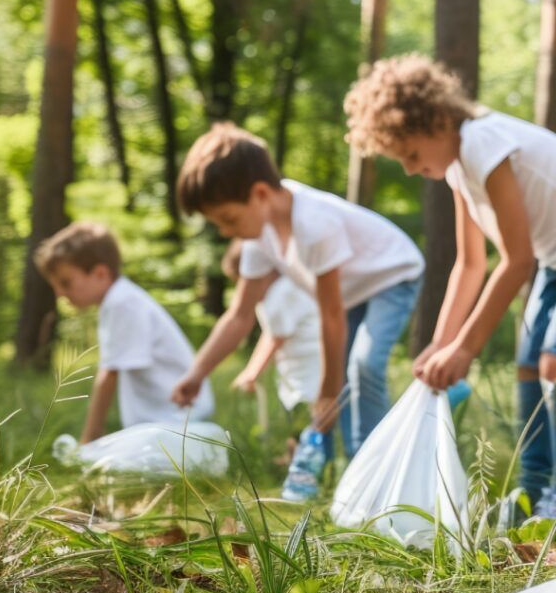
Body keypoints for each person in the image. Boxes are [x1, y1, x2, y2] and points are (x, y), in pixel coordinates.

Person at [343, 55, 556, 518]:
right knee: (527, 366)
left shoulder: (482, 141)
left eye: (411, 155)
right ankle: (533, 491)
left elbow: (517, 260)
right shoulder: (460, 166)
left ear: (437, 121)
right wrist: (441, 344)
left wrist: (465, 349)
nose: (408, 169)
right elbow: (469, 263)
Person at [171, 124, 424, 500]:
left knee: (364, 365)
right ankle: (359, 475)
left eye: (227, 218)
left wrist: (325, 393)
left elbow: (330, 315)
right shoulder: (259, 238)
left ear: (259, 194)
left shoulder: (313, 225)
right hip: (353, 293)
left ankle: (379, 478)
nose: (226, 232)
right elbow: (239, 316)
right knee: (346, 380)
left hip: (393, 276)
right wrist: (197, 373)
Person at [35, 221, 214, 442]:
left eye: (66, 283)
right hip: (172, 422)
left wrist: (88, 440)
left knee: (99, 459)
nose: (60, 294)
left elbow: (109, 374)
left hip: (178, 423)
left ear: (100, 273)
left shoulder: (122, 303)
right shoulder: (120, 300)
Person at [221, 239, 322, 427]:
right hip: (298, 366)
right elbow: (271, 333)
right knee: (298, 411)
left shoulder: (281, 293)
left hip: (309, 366)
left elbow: (275, 338)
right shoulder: (281, 291)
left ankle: (312, 451)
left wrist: (253, 371)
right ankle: (298, 450)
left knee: (309, 414)